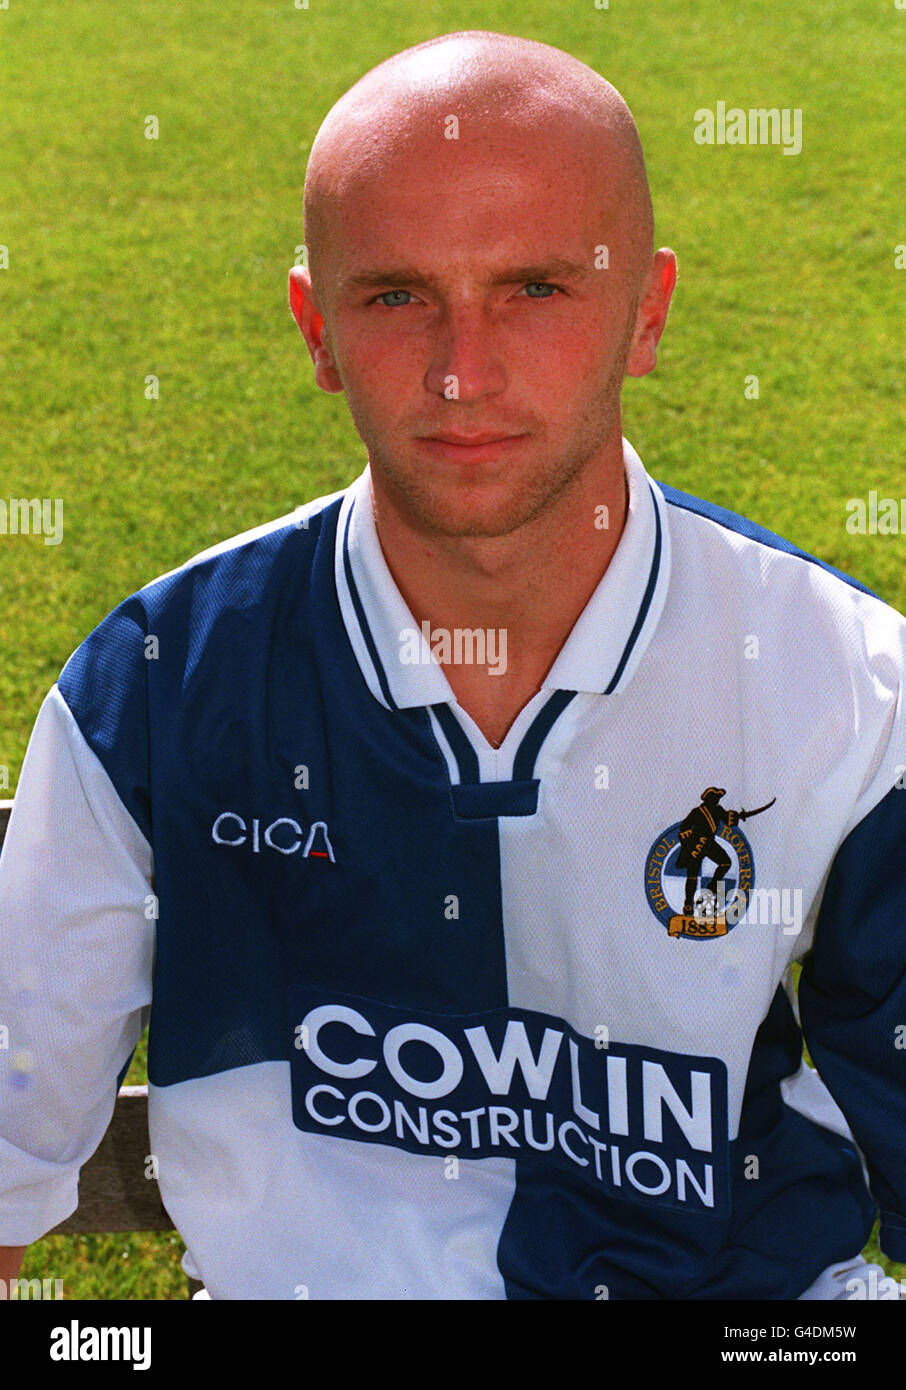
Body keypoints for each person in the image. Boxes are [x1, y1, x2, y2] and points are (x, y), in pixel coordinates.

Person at [1, 29, 904, 1301]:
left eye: (535, 288)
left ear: (646, 310)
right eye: (395, 296)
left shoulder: (854, 689)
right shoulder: (154, 688)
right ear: (317, 328)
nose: (461, 373)